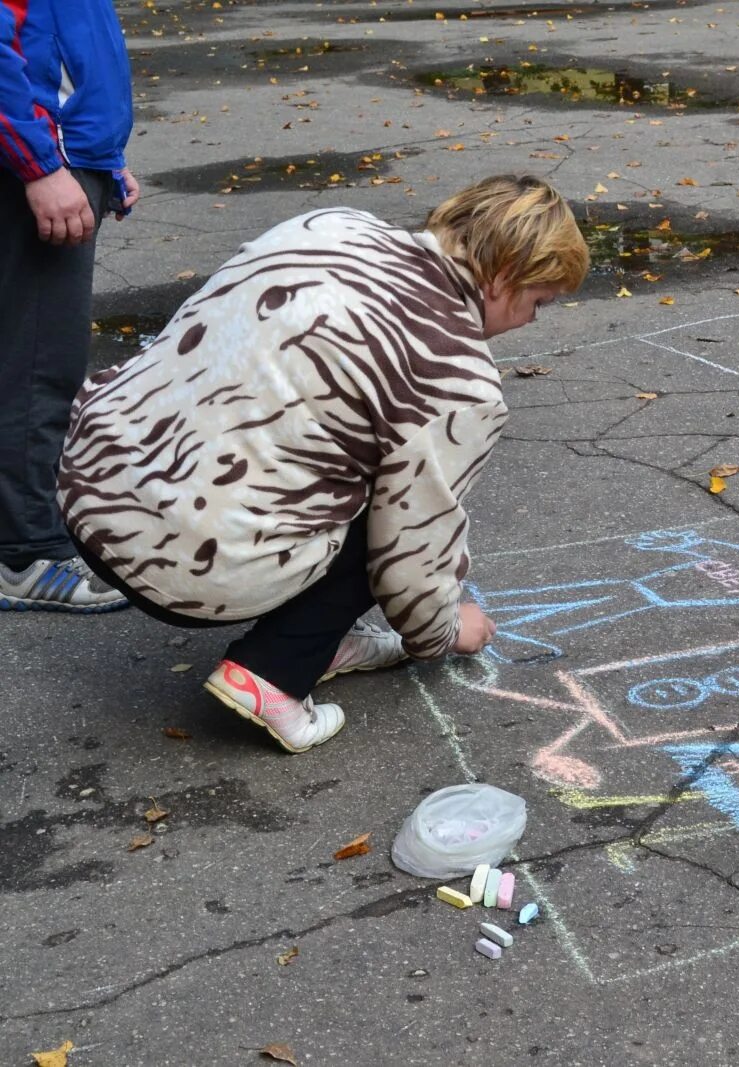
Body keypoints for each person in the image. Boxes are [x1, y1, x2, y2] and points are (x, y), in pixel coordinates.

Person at [57, 174, 590, 753]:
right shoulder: (458, 376)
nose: (531, 321)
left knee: (336, 440)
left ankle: (322, 642)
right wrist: (444, 629)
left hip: (89, 481)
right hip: (179, 564)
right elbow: (413, 547)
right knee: (393, 505)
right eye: (539, 302)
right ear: (505, 276)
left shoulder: (330, 226)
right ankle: (275, 675)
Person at [0, 0, 140, 611]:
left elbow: (69, 42)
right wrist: (40, 166)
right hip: (31, 163)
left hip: (60, 155)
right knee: (37, 367)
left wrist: (103, 157)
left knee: (28, 357)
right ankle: (24, 555)